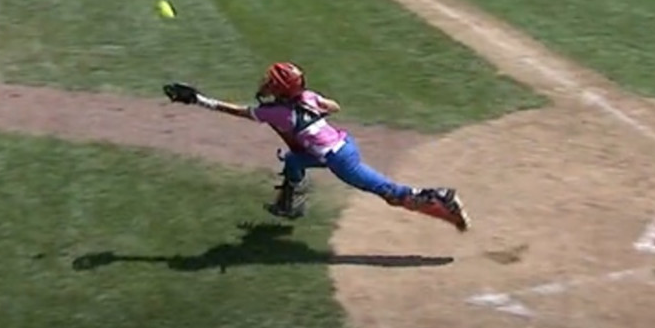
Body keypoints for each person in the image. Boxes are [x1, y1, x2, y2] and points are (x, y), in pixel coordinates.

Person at [173, 62, 471, 232]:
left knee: (391, 194)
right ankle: (288, 204)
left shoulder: (277, 113)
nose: (266, 84)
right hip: (343, 143)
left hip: (340, 160)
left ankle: (440, 196)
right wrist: (314, 113)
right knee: (294, 160)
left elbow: (237, 112)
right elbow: (334, 106)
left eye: (271, 82)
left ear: (280, 89)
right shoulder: (308, 97)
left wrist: (199, 100)